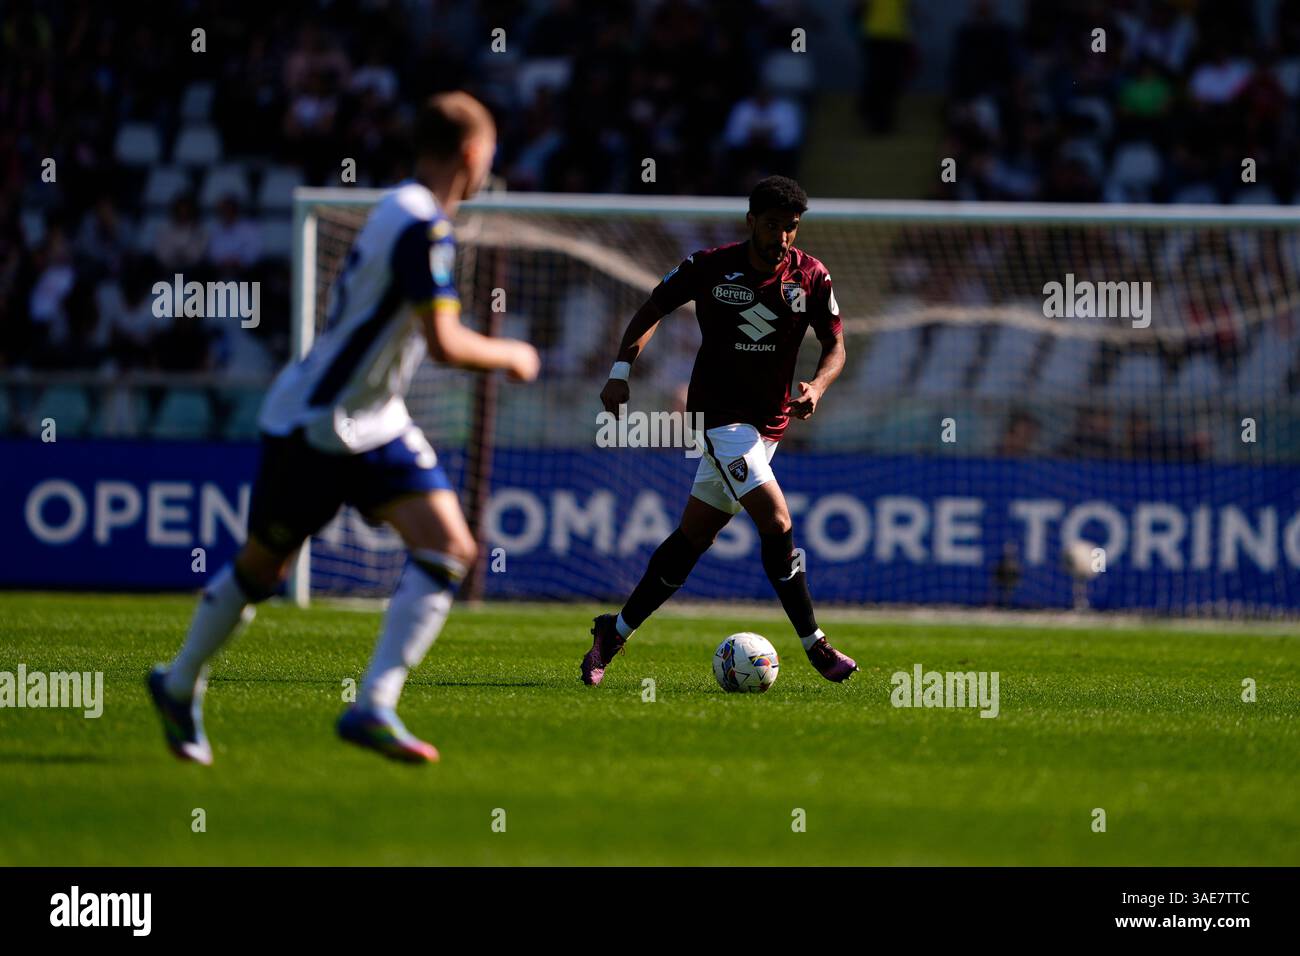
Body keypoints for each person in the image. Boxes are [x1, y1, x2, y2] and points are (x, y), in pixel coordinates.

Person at [147, 92, 539, 765]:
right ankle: (179, 683)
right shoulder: (422, 225)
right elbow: (443, 343)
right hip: (316, 424)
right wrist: (513, 353)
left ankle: (374, 706)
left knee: (450, 547)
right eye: (490, 156)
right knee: (262, 568)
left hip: (376, 420)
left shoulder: (397, 207)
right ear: (473, 154)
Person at [582, 175, 857, 686]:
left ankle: (613, 630)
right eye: (772, 225)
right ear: (751, 221)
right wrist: (621, 372)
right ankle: (814, 643)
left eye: (791, 228)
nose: (781, 237)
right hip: (717, 419)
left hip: (769, 427)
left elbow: (836, 346)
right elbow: (653, 308)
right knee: (776, 521)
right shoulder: (709, 266)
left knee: (693, 539)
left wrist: (818, 385)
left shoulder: (812, 278)